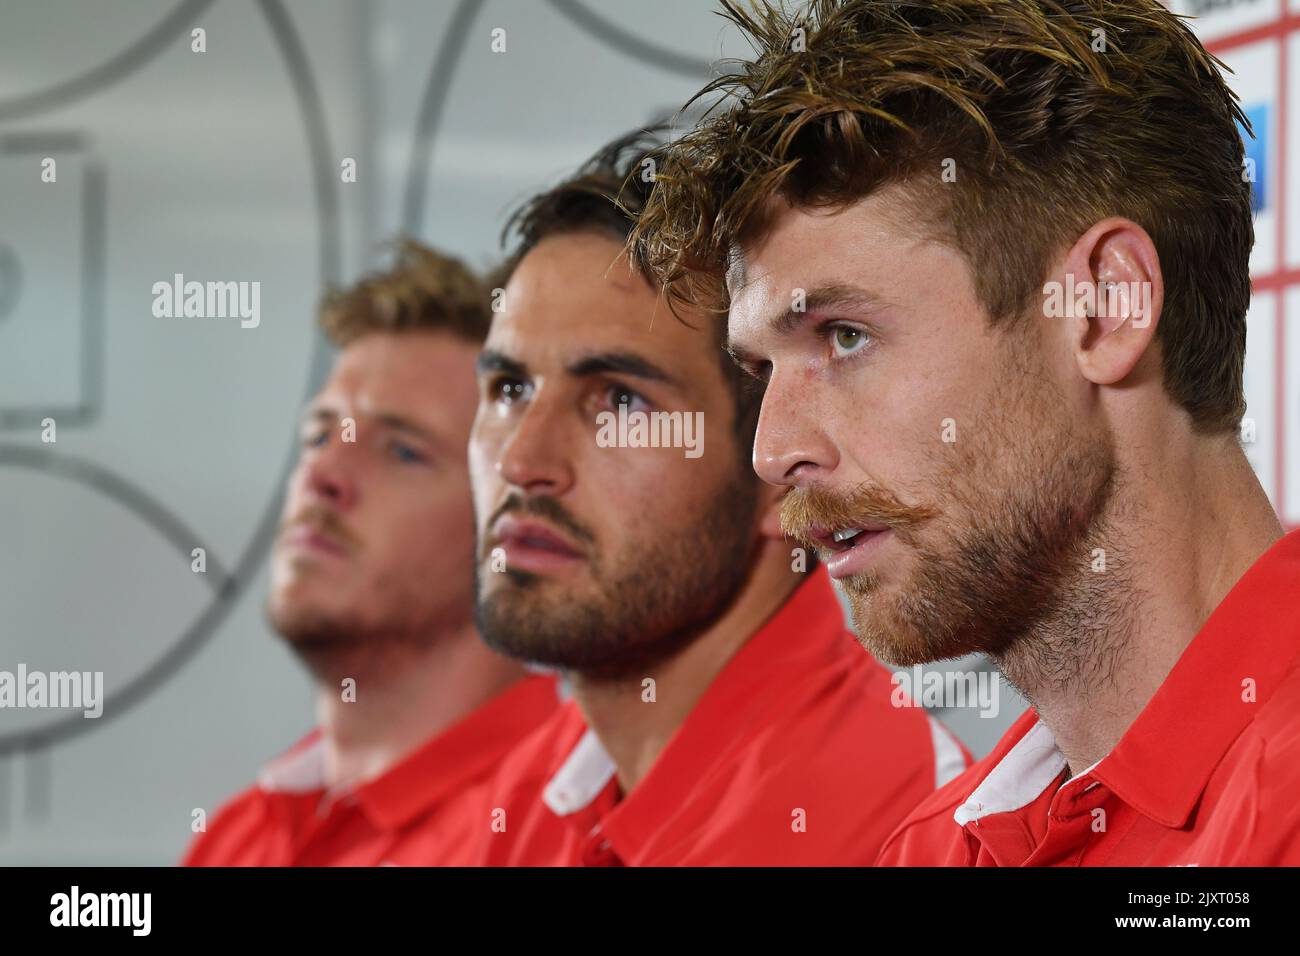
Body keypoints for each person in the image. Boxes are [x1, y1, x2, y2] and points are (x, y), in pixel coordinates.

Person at [632, 0, 1300, 865]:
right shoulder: (936, 849)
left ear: (1102, 306)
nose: (772, 452)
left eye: (843, 336)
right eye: (763, 370)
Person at [467, 130, 969, 866]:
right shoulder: (521, 803)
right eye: (510, 389)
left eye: (620, 401)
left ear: (775, 476)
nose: (522, 460)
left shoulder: (907, 832)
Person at [184, 240, 557, 867]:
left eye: (402, 450)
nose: (323, 472)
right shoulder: (239, 837)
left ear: (510, 518)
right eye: (318, 434)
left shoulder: (565, 829)